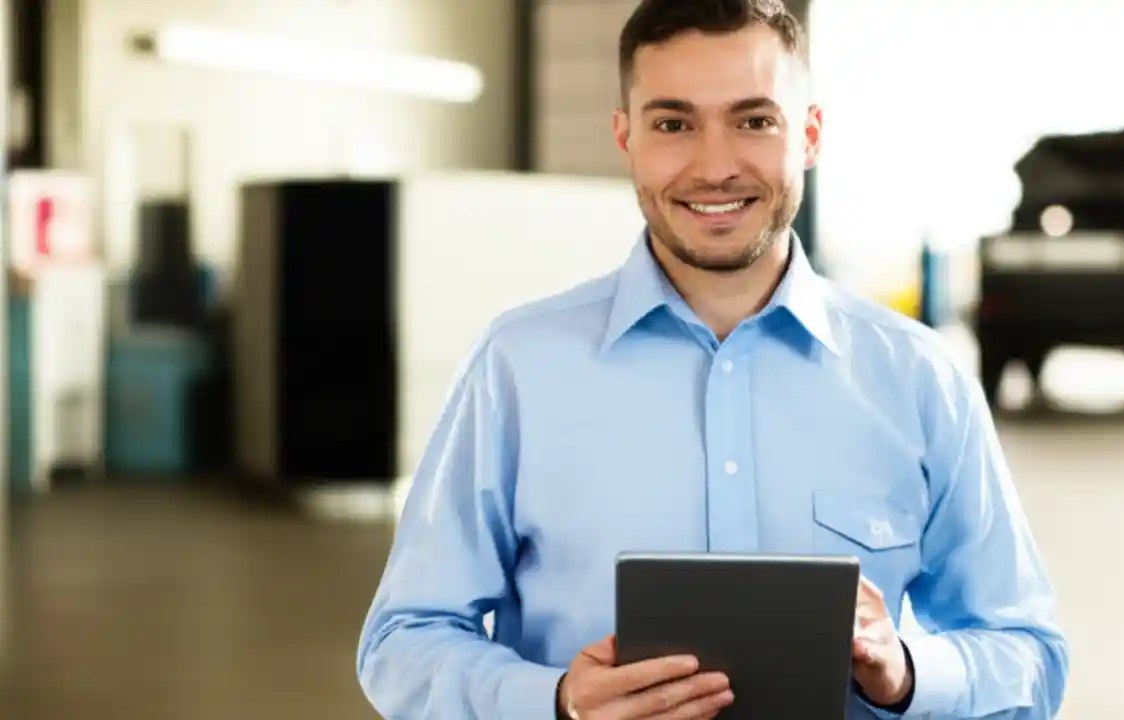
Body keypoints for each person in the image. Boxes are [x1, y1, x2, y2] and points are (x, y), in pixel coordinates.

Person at [356, 0, 1069, 717]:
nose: (715, 166)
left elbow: (1029, 653)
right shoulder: (517, 366)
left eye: (755, 121)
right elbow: (402, 641)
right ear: (625, 136)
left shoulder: (920, 377)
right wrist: (559, 702)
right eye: (673, 124)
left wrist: (906, 671)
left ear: (810, 134)